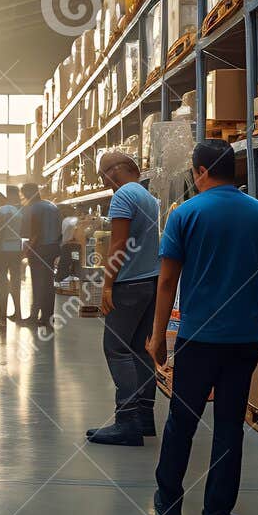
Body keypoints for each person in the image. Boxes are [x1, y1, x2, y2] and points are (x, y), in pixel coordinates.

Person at [147, 139, 258, 515]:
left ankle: (169, 501)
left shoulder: (185, 214)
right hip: (243, 338)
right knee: (229, 427)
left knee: (182, 420)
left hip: (198, 338)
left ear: (199, 170)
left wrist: (157, 336)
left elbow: (167, 282)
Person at [85, 151, 162, 446]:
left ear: (115, 170)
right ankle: (144, 418)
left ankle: (126, 422)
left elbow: (118, 242)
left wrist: (107, 286)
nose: (104, 182)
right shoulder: (147, 197)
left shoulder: (123, 196)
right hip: (150, 281)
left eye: (103, 175)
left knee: (116, 349)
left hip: (128, 284)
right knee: (139, 350)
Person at [19, 182, 62, 329]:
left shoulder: (34, 208)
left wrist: (26, 251)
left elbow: (36, 232)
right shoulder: (52, 206)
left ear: (28, 193)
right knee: (49, 284)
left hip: (40, 249)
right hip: (53, 248)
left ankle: (33, 317)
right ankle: (47, 317)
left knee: (37, 283)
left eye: (23, 194)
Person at [0, 191, 25, 324]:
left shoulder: (0, 212)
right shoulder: (18, 212)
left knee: (2, 283)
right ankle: (18, 313)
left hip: (2, 251)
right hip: (16, 249)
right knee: (16, 282)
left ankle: (2, 315)